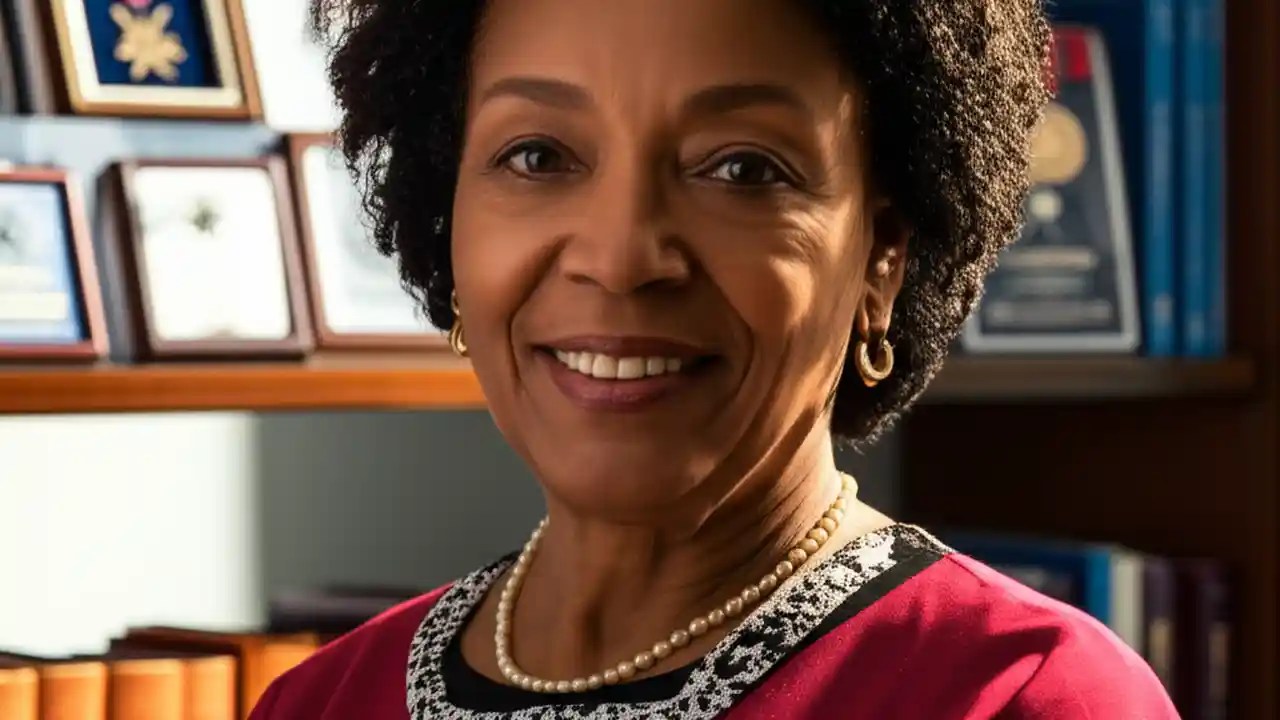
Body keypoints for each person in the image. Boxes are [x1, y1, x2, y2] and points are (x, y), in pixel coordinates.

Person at [251, 0, 1179, 717]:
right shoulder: (323, 700)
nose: (621, 256)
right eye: (537, 156)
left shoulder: (1024, 695)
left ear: (883, 258)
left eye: (741, 169)